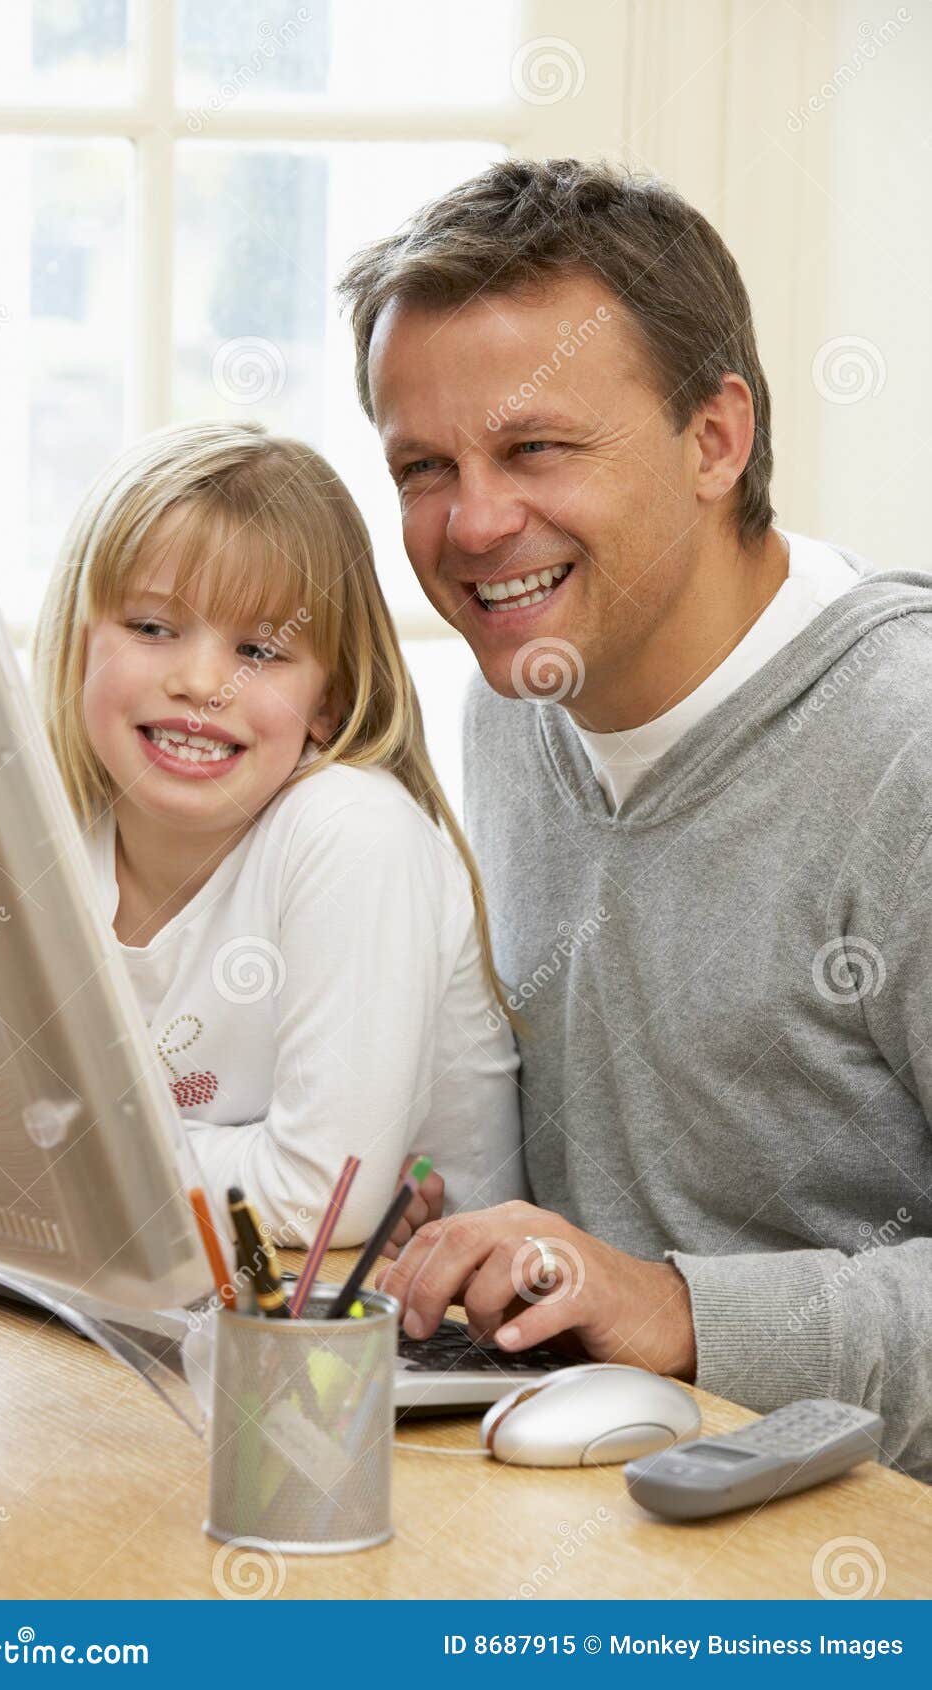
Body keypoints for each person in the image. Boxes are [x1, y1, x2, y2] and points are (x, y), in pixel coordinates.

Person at [338, 157, 932, 1479]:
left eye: (534, 447)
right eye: (421, 465)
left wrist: (675, 1305)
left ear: (714, 438)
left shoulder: (904, 748)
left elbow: (650, 1273)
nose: (472, 522)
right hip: (581, 1498)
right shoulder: (513, 699)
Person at [30, 419, 523, 1245]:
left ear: (328, 699)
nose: (198, 682)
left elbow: (314, 1201)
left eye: (259, 650)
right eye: (152, 628)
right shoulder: (48, 832)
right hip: (160, 1283)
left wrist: (51, 1156)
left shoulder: (350, 831)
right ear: (81, 646)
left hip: (414, 1339)